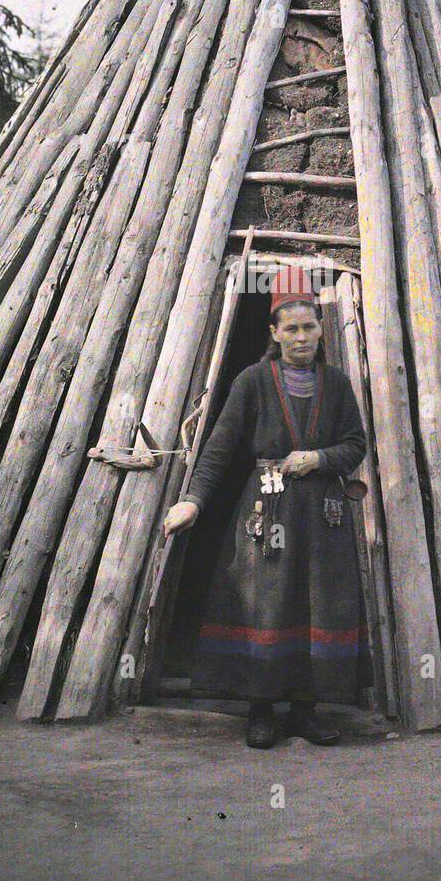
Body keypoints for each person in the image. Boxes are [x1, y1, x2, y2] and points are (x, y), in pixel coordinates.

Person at [162, 265, 371, 749]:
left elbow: (355, 444)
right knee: (266, 603)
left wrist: (319, 458)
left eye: (310, 327)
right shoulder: (253, 381)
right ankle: (259, 710)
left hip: (322, 514)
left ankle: (304, 710)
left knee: (317, 601)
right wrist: (192, 500)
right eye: (291, 329)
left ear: (321, 329)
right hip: (266, 511)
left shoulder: (336, 384)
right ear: (274, 334)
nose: (302, 337)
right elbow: (219, 447)